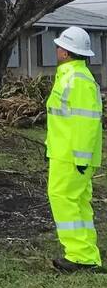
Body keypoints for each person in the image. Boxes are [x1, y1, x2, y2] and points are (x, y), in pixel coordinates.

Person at [45, 26, 103, 273]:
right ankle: (86, 255)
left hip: (71, 156)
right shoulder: (74, 76)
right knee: (78, 202)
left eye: (59, 47)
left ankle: (79, 256)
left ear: (67, 53)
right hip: (66, 154)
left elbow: (86, 122)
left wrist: (80, 157)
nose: (56, 50)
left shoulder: (76, 80)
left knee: (65, 201)